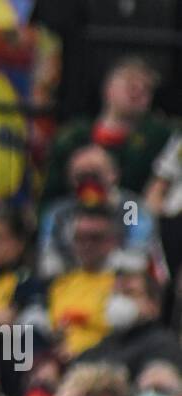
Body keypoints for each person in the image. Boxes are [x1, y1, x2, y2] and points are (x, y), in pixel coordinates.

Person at [42, 55, 174, 203]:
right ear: (108, 87)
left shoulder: (158, 137)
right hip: (74, 215)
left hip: (131, 215)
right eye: (131, 85)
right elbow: (51, 194)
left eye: (146, 89)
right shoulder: (73, 135)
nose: (138, 92)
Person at [36, 145, 165, 282]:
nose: (88, 183)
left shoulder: (130, 208)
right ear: (70, 179)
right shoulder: (57, 213)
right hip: (73, 282)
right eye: (81, 177)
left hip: (123, 282)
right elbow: (49, 261)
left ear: (113, 174)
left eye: (95, 175)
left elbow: (136, 255)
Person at [77, 265, 182, 377]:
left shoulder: (163, 343)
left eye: (129, 293)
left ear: (153, 304)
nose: (119, 301)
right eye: (115, 294)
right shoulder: (104, 345)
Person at [44, 206, 119, 359]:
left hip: (105, 358)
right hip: (61, 359)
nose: (86, 244)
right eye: (79, 238)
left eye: (95, 237)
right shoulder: (61, 284)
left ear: (112, 241)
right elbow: (55, 327)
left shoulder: (123, 282)